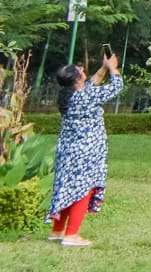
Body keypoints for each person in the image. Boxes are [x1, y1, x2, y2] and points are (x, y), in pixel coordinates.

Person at [46, 52, 122, 248]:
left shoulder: (70, 95)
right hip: (86, 152)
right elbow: (116, 87)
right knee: (82, 191)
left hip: (68, 152)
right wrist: (114, 69)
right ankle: (71, 235)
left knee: (67, 189)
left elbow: (93, 82)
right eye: (78, 70)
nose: (82, 69)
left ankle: (57, 231)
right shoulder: (87, 96)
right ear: (76, 79)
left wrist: (105, 67)